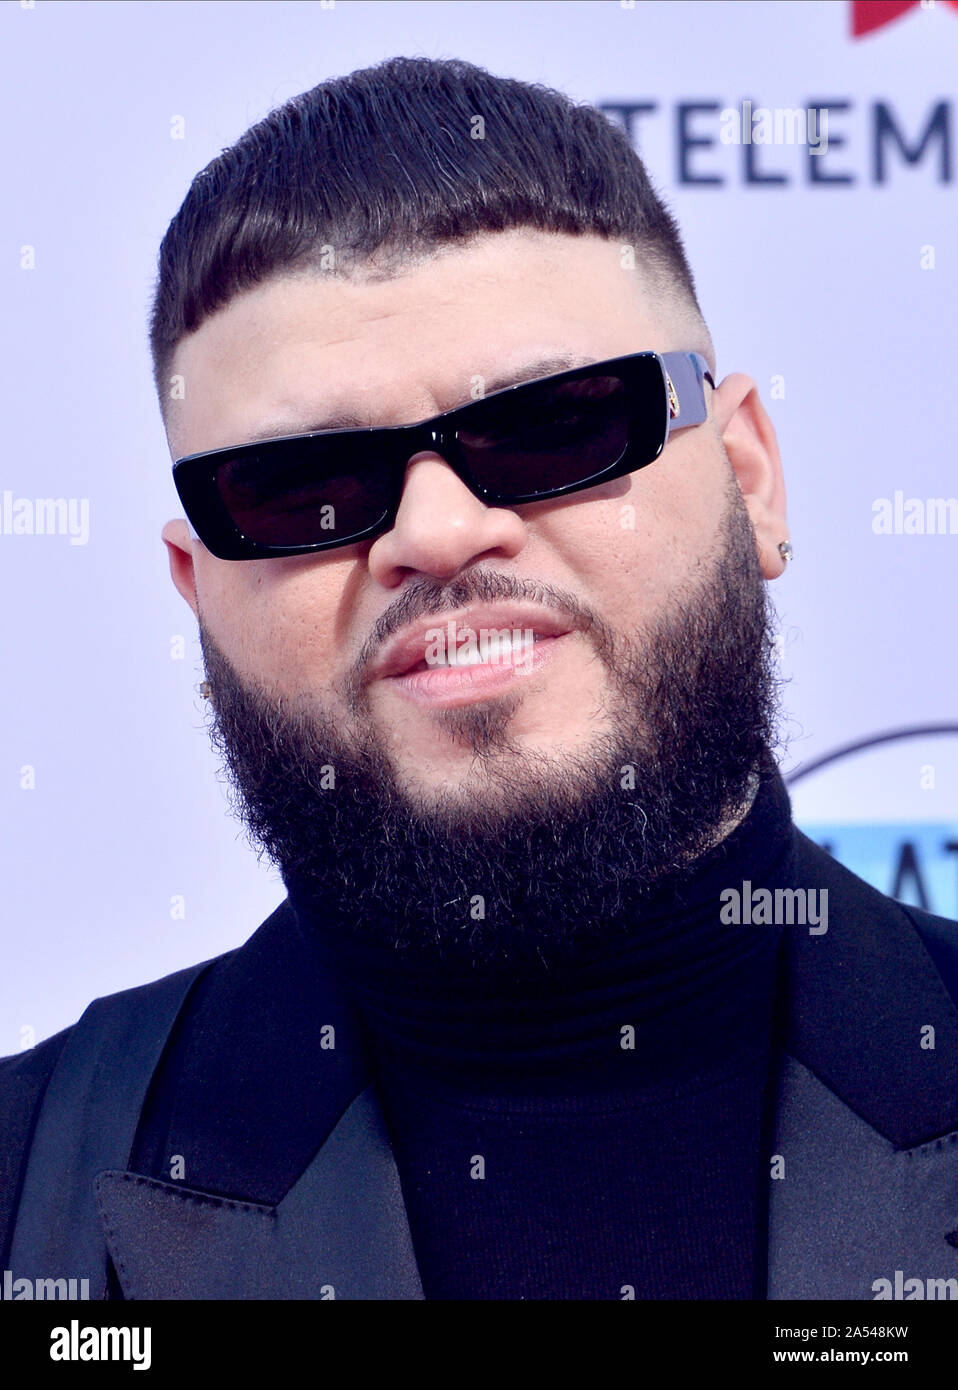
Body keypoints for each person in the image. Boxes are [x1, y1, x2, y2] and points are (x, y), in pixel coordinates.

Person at [3, 55, 957, 1303]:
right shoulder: (29, 1188)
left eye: (551, 426)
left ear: (750, 481)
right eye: (306, 488)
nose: (439, 532)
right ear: (197, 596)